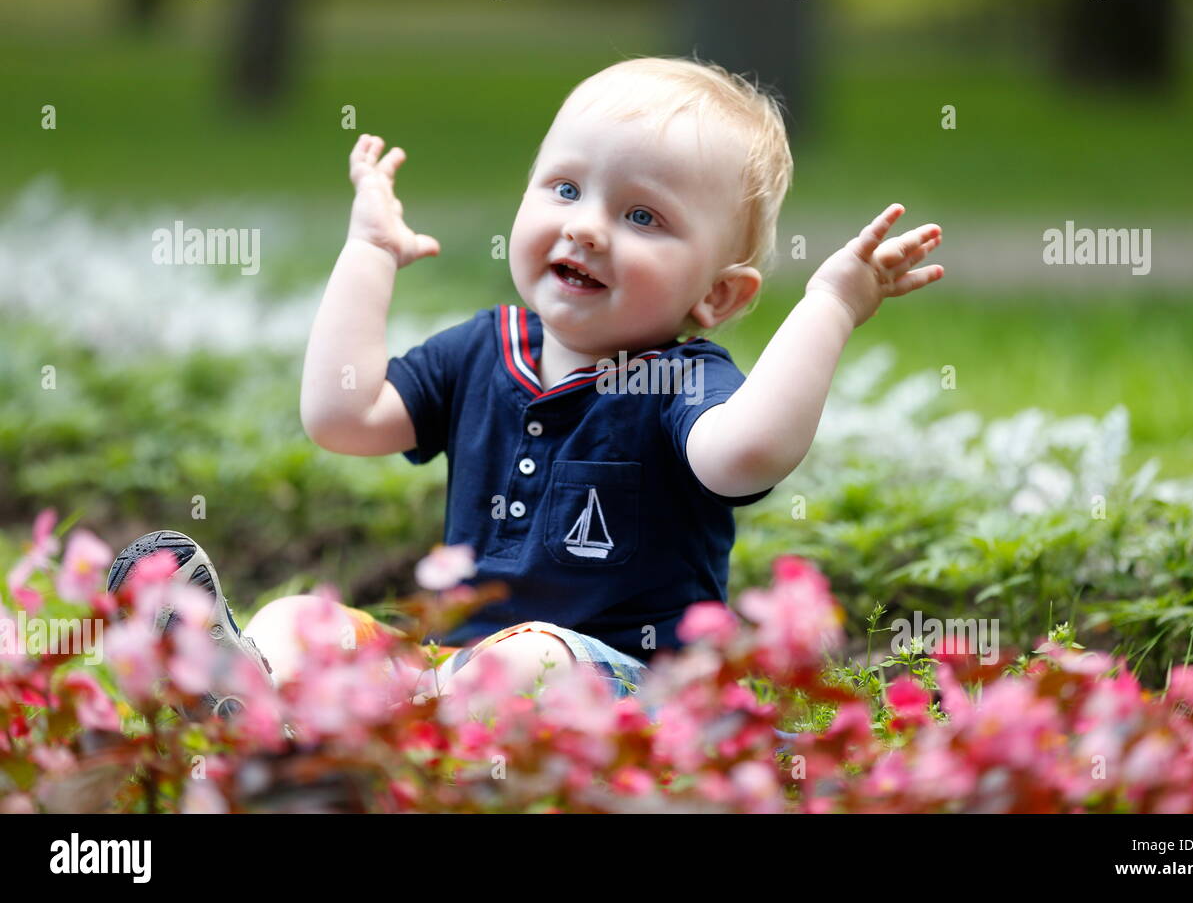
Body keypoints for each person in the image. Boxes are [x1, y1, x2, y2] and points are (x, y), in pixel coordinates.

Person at [110, 55, 944, 716]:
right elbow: (342, 415)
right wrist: (368, 253)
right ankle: (242, 693)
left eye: (642, 217)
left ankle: (352, 721)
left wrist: (831, 305)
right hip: (451, 665)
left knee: (529, 660)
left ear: (717, 296)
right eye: (566, 188)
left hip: (623, 685)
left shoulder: (683, 381)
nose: (585, 224)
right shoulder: (483, 349)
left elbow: (751, 454)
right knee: (296, 620)